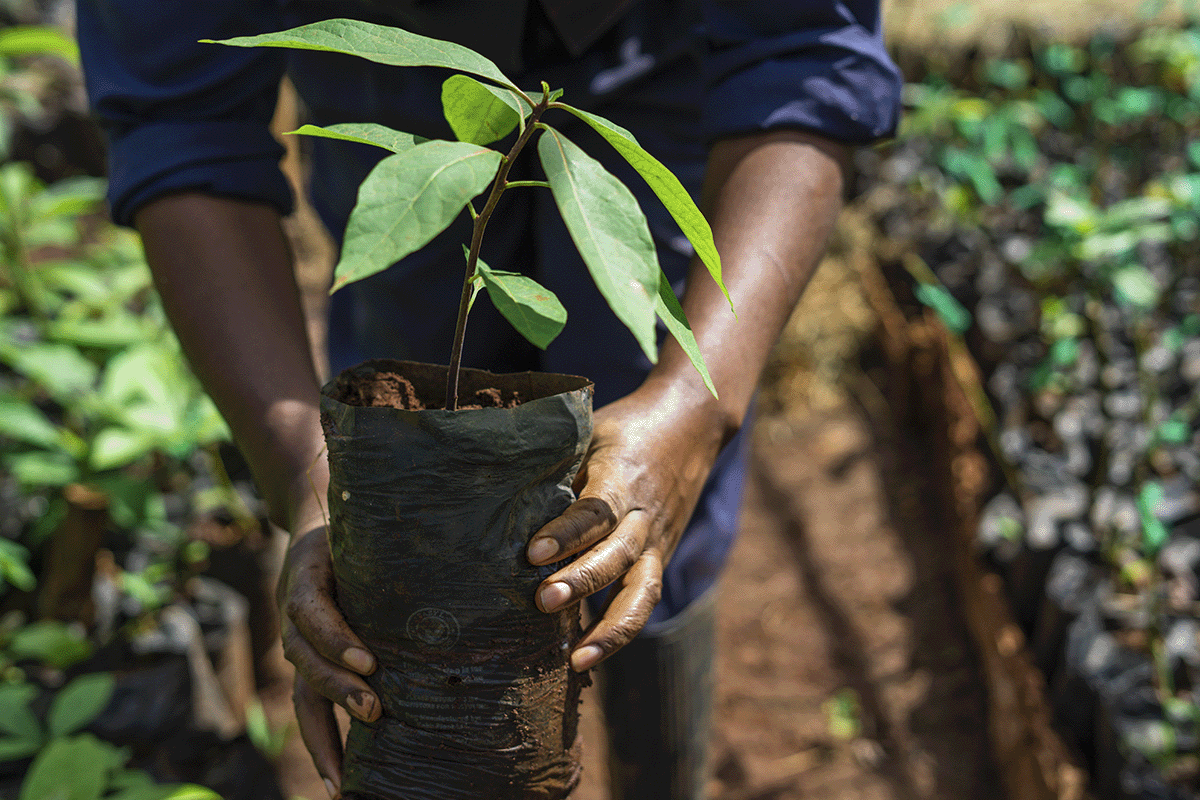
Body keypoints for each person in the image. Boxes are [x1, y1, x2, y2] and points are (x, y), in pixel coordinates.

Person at [74, 2, 902, 798]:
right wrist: (308, 477)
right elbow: (180, 112)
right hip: (398, 84)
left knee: (637, 500)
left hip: (664, 52)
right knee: (413, 466)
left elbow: (803, 52)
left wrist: (695, 401)